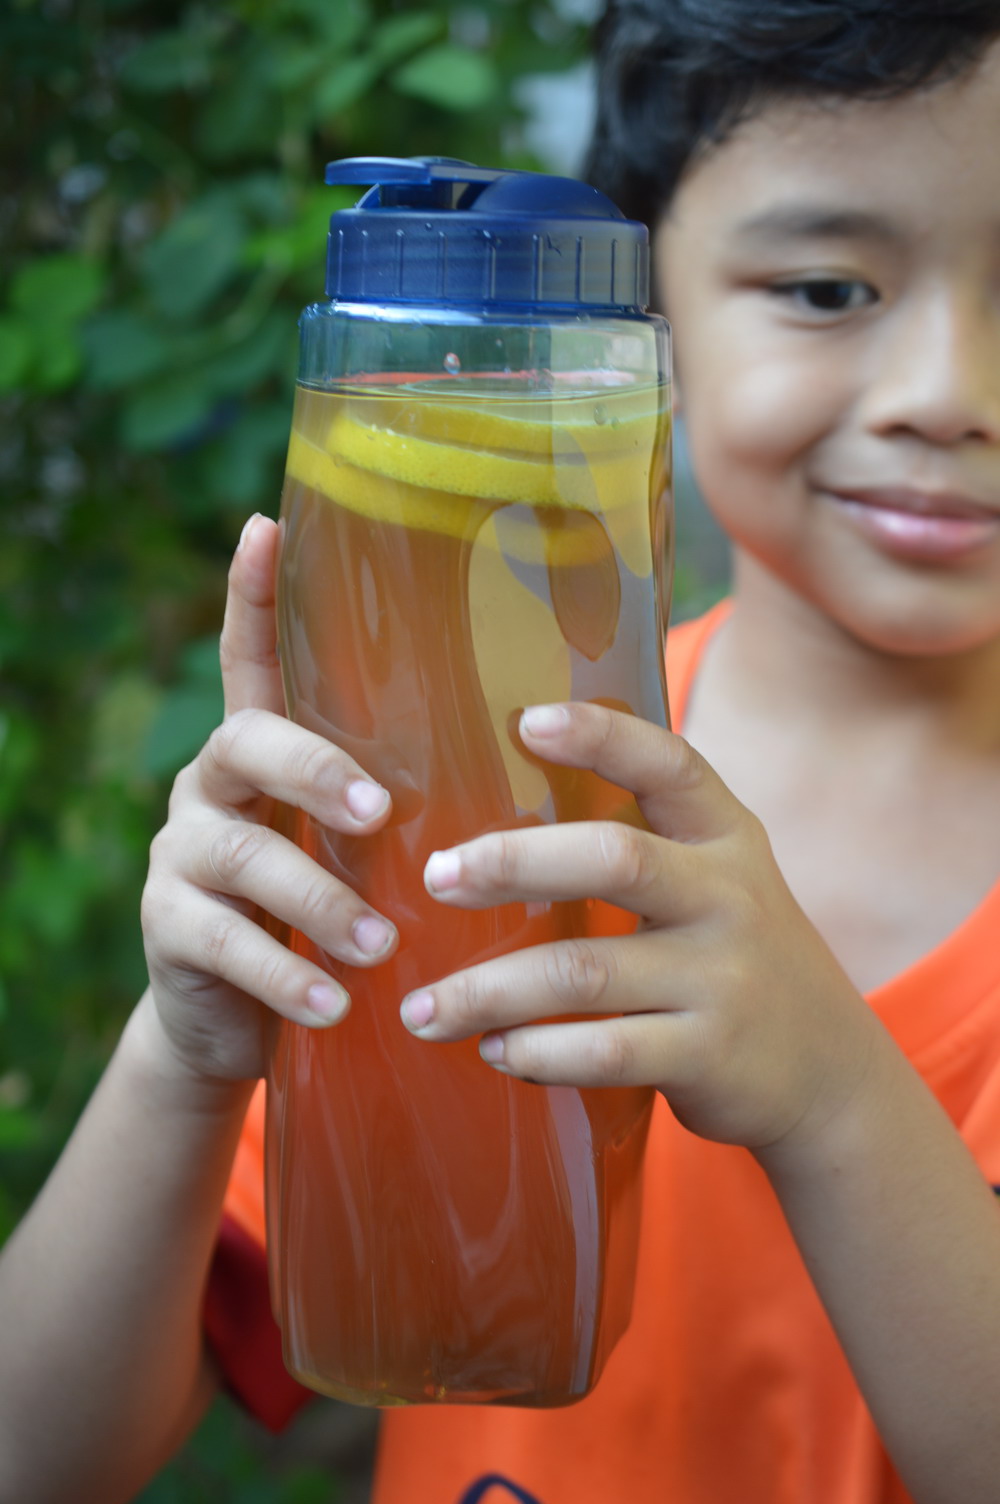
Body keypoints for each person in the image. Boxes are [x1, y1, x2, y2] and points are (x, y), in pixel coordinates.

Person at [2, 1, 1000, 1500]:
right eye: (826, 285)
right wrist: (184, 1061)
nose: (947, 392)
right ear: (639, 289)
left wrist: (836, 1097)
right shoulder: (465, 789)